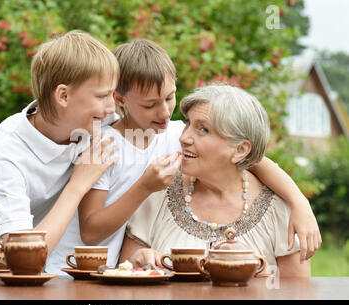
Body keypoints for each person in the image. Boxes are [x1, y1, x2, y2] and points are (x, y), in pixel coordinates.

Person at [76, 40, 321, 272]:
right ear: (120, 100)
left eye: (170, 98)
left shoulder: (171, 132)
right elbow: (89, 232)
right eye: (150, 105)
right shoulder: (102, 145)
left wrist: (300, 203)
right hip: (80, 268)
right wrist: (144, 187)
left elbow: (254, 160)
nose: (164, 112)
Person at [120, 84, 316, 277]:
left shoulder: (281, 211)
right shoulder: (159, 193)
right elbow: (124, 282)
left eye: (203, 130)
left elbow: (298, 293)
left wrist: (257, 272)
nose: (184, 137)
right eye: (188, 123)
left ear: (240, 150)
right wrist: (139, 260)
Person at [0, 30, 120, 272]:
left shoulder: (96, 119)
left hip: (40, 273)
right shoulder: (6, 150)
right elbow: (22, 257)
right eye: (102, 96)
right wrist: (78, 185)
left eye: (112, 94)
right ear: (63, 96)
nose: (112, 107)